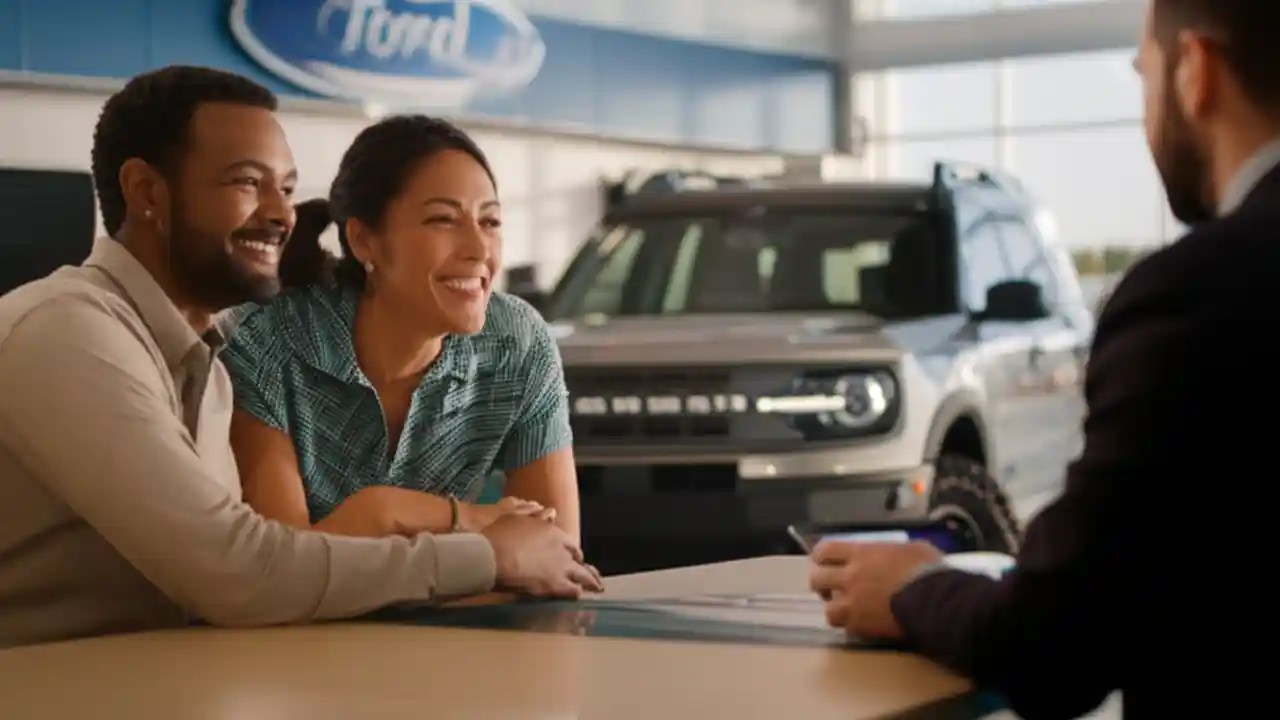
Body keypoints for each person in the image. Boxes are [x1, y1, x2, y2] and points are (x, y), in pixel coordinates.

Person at [0, 65, 601, 650]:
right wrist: (486, 549)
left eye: (285, 188)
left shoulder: (204, 360)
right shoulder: (69, 333)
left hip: (155, 680)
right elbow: (240, 573)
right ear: (148, 192)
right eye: (246, 182)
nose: (281, 213)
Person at [809, 1, 1277, 717]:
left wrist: (913, 587)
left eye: (1145, 76)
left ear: (1198, 73)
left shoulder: (1201, 293)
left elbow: (1052, 642)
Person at [217, 114, 585, 546]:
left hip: (451, 613)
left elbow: (557, 558)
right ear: (364, 242)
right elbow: (281, 569)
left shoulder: (516, 344)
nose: (479, 249)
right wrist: (449, 519)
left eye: (490, 222)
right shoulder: (266, 343)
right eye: (443, 220)